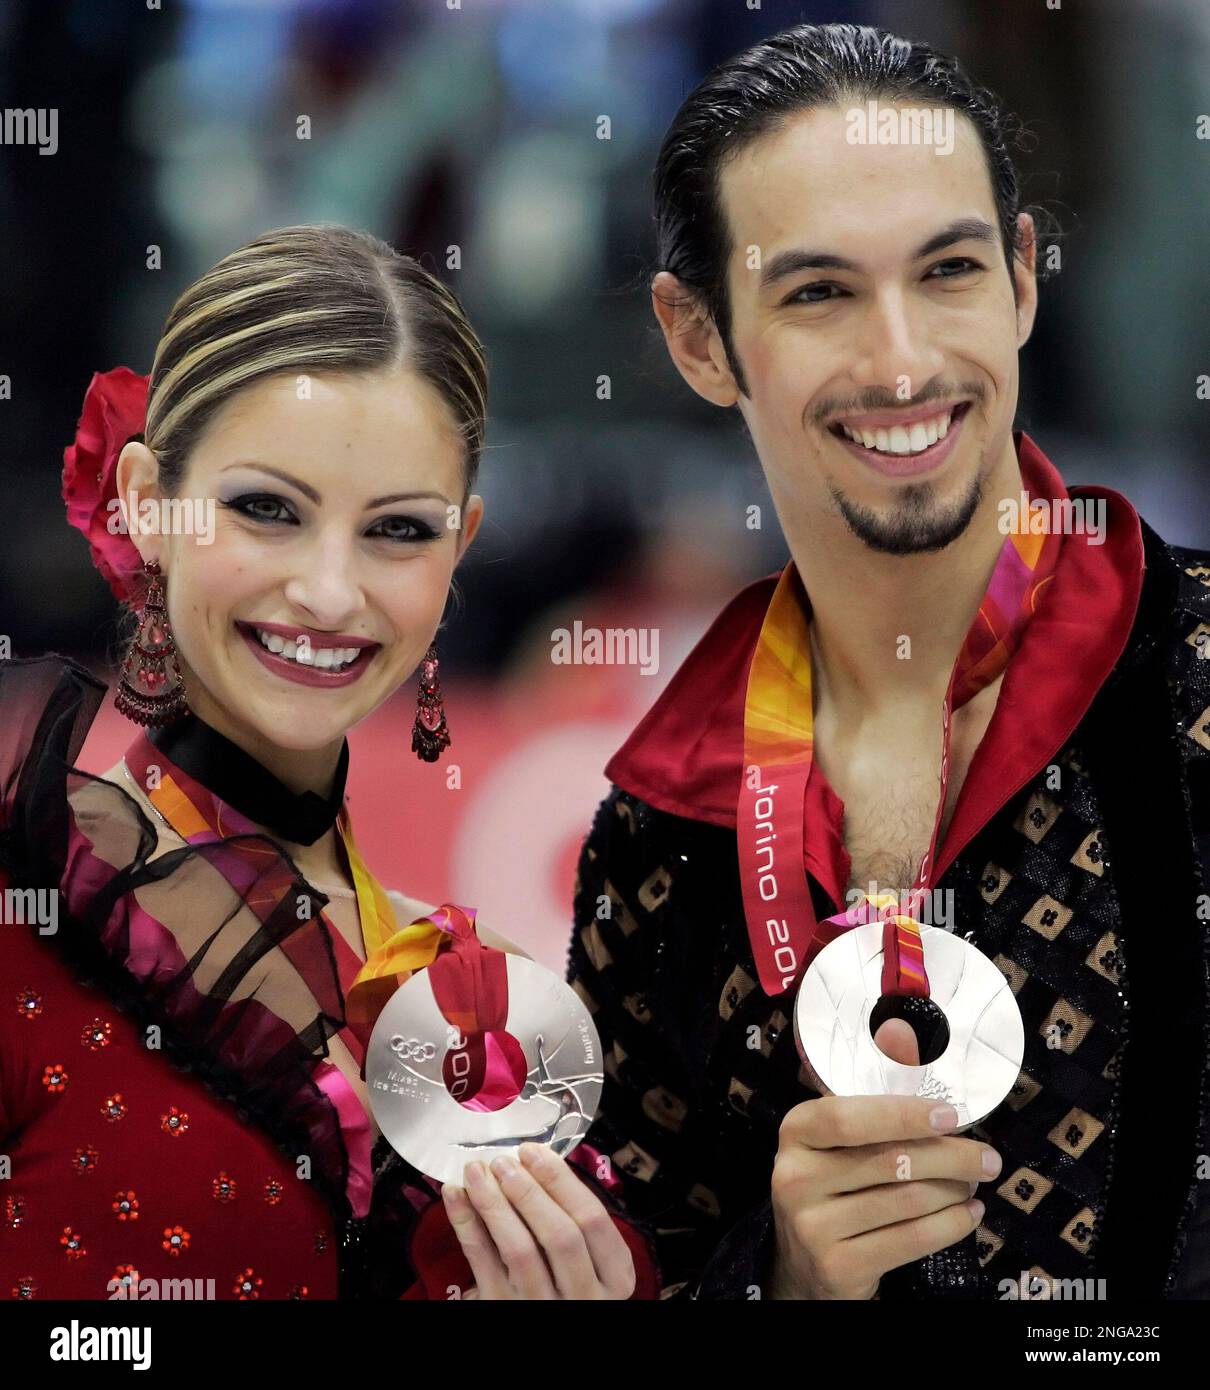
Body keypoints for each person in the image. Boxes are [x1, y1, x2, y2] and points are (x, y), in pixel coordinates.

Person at [565, 22, 1210, 1301]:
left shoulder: (1196, 681)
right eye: (817, 293)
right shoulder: (657, 836)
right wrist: (787, 1283)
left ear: (1023, 280)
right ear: (699, 340)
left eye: (950, 270)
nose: (903, 360)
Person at [0, 224, 657, 1301]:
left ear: (461, 548)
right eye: (268, 509)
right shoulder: (25, 916)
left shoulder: (482, 998)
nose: (330, 593)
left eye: (397, 530)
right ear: (148, 501)